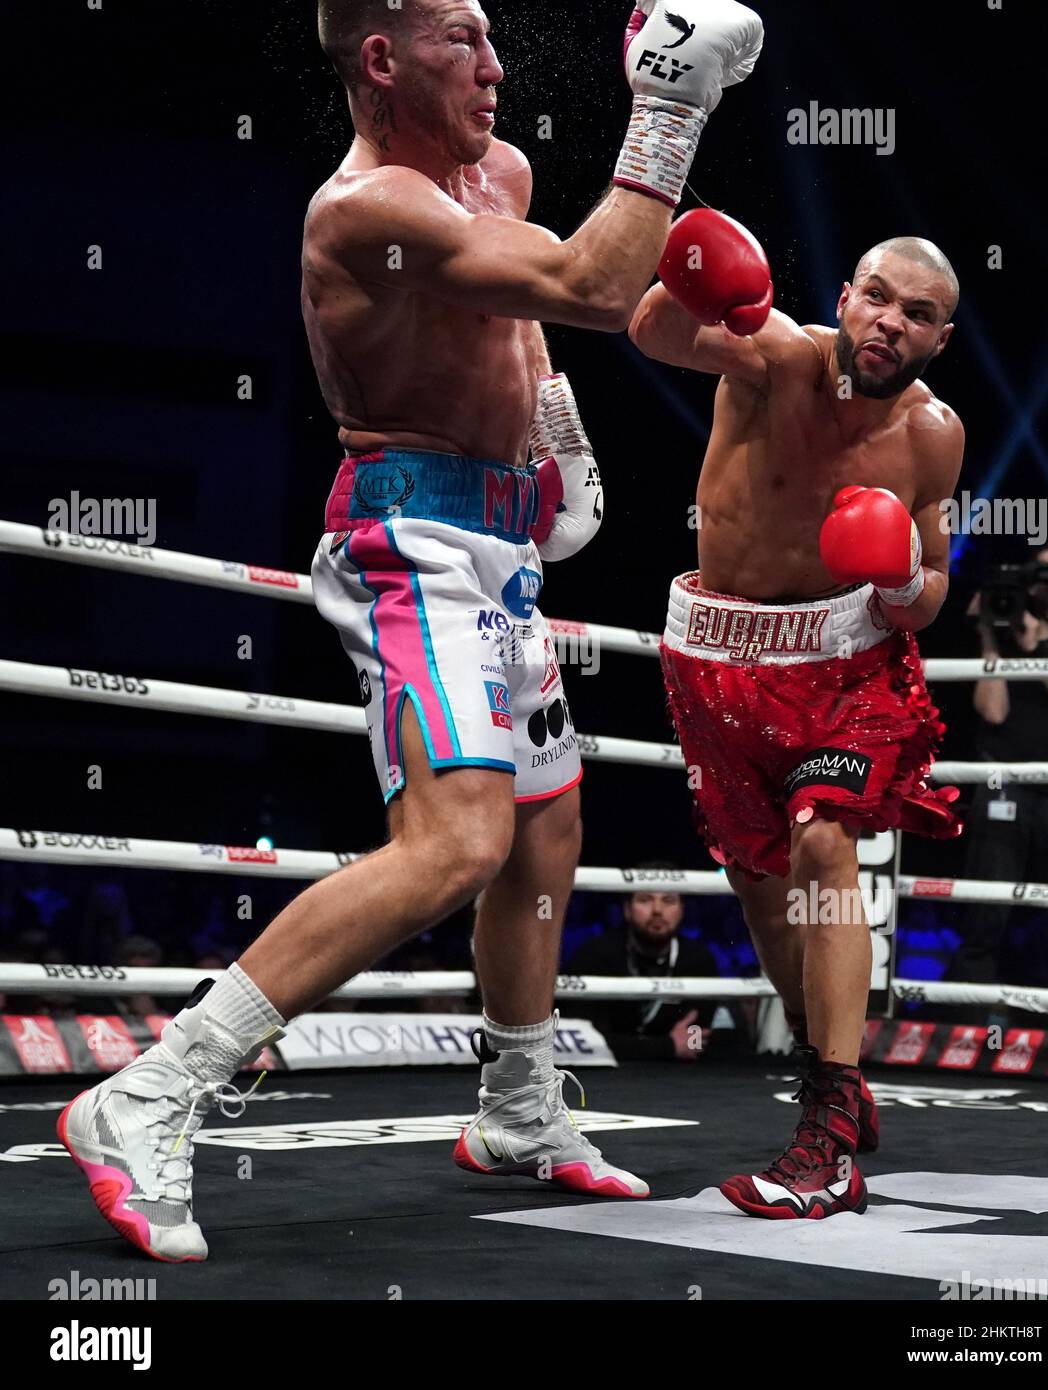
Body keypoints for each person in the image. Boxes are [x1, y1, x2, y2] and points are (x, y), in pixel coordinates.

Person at [57, 0, 766, 1261]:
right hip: (412, 539)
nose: (498, 68)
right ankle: (147, 1092)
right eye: (462, 42)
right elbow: (592, 282)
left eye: (496, 39)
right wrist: (670, 109)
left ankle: (515, 1108)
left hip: (499, 544)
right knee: (455, 844)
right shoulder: (362, 211)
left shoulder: (500, 170)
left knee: (548, 831)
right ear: (381, 59)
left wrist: (560, 431)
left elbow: (527, 315)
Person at [630, 221, 965, 1217]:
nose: (890, 321)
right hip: (715, 659)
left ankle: (825, 1128)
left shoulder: (932, 432)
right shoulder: (774, 352)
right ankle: (835, 1074)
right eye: (877, 295)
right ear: (846, 293)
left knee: (826, 844)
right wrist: (711, 293)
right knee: (764, 887)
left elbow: (935, 578)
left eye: (919, 314)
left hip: (843, 664)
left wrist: (904, 575)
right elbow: (648, 328)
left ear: (939, 339)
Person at [949, 542, 1048, 992]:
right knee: (984, 911)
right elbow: (992, 711)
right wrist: (991, 637)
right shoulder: (1006, 634)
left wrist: (1030, 645)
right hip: (1004, 783)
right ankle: (969, 1023)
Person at [566, 869, 718, 1061]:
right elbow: (583, 1040)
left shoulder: (698, 959)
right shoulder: (595, 954)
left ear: (681, 910)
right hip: (604, 1076)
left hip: (679, 1078)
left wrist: (684, 1044)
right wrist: (666, 1046)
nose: (657, 910)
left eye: (668, 900)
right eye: (645, 899)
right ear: (627, 910)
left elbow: (693, 1044)